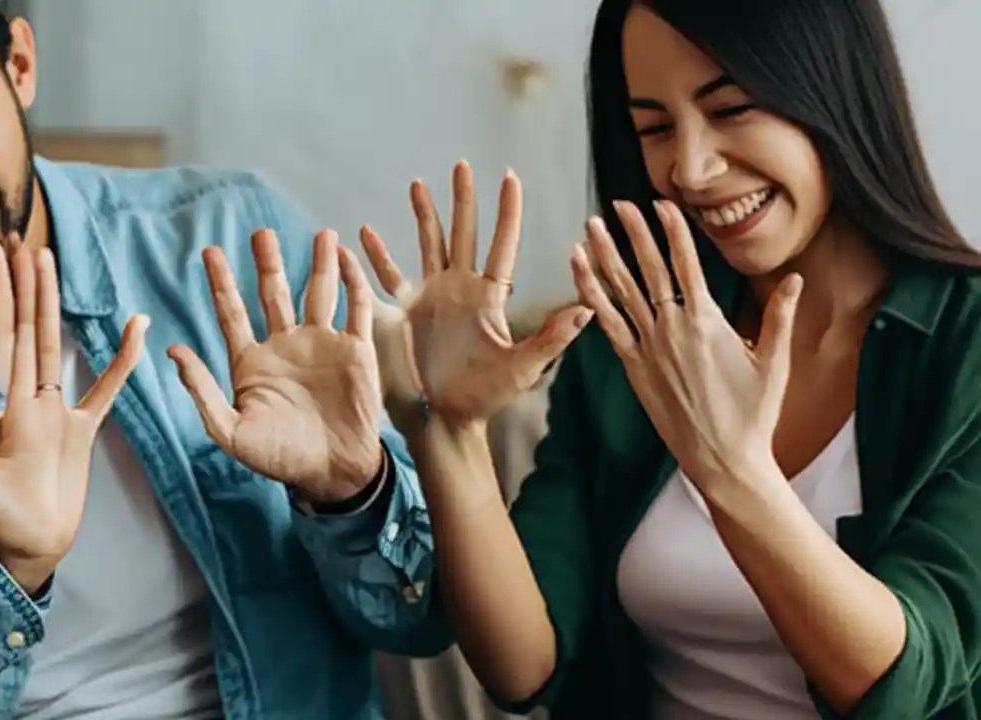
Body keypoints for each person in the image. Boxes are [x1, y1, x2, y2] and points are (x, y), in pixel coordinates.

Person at [0, 1, 449, 717]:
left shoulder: (230, 236)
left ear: (20, 66)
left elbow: (422, 622)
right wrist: (0, 568)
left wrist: (353, 493)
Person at [358, 0, 981, 718]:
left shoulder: (961, 346)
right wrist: (448, 433)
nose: (690, 167)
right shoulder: (634, 331)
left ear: (836, 90)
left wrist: (733, 472)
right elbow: (523, 666)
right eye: (654, 127)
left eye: (734, 108)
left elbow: (905, 682)